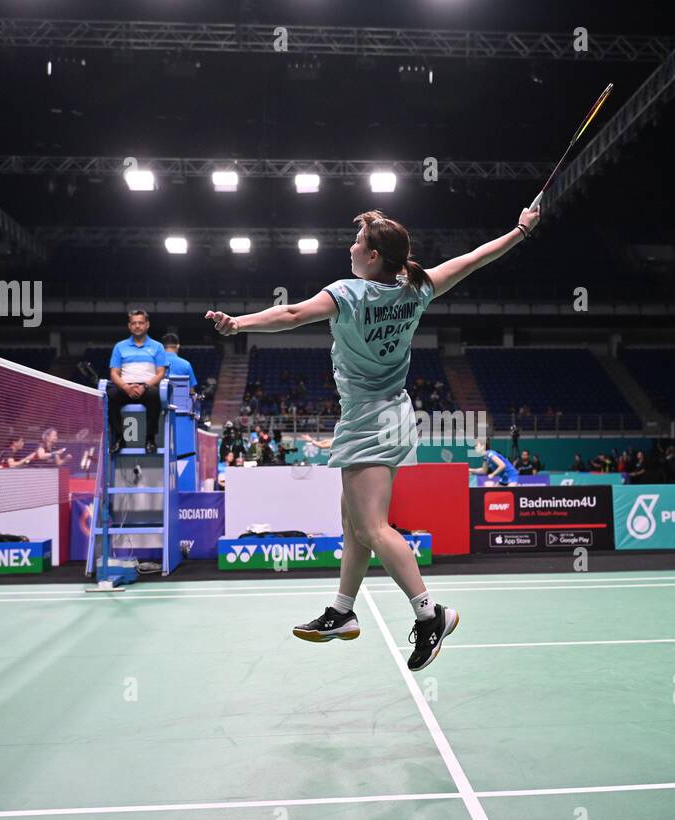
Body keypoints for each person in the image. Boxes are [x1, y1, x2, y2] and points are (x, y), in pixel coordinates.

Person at [207, 204, 540, 670]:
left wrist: (239, 323)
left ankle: (431, 614)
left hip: (368, 418)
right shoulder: (416, 287)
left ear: (374, 255)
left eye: (358, 241)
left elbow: (292, 313)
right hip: (390, 413)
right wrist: (519, 231)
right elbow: (472, 260)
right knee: (353, 523)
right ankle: (342, 611)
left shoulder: (348, 294)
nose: (351, 246)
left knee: (373, 527)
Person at [107, 309, 167, 455]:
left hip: (147, 387)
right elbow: (114, 373)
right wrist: (125, 387)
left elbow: (161, 373)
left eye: (140, 323)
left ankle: (150, 439)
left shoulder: (157, 347)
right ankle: (119, 438)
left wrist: (145, 386)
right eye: (134, 323)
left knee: (155, 395)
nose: (137, 326)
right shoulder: (119, 347)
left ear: (147, 325)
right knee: (111, 395)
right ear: (129, 326)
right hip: (125, 387)